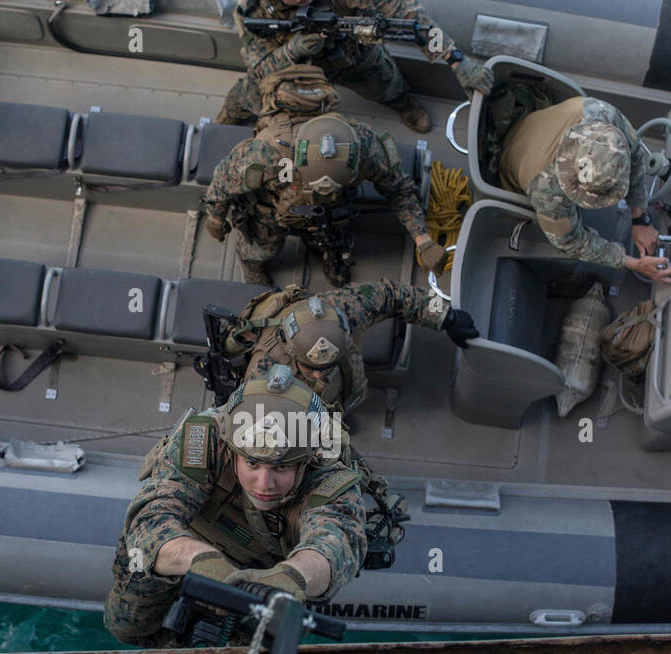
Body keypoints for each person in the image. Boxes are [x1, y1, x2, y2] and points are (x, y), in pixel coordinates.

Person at [103, 364, 367, 647]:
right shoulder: (207, 439)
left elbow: (335, 544)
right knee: (127, 627)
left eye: (280, 468)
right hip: (188, 545)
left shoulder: (327, 474)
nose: (264, 483)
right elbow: (150, 520)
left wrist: (291, 577)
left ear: (305, 461)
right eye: (252, 463)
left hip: (265, 573)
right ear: (233, 449)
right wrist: (203, 561)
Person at [203, 69, 448, 286]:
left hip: (333, 208)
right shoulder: (265, 153)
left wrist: (422, 239)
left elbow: (400, 189)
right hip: (274, 209)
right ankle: (253, 264)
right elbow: (224, 179)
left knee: (333, 239)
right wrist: (215, 218)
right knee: (261, 248)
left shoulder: (366, 145)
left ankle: (326, 252)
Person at [218, 0, 494, 133]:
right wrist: (293, 51)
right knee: (253, 97)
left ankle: (401, 103)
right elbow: (259, 70)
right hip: (294, 74)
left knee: (387, 84)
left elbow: (412, 18)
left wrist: (456, 60)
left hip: (352, 56)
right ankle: (229, 117)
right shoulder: (252, 12)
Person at [223, 279, 478, 415]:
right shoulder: (263, 373)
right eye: (311, 368)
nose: (320, 374)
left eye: (326, 367)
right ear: (291, 353)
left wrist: (445, 316)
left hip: (340, 394)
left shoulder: (342, 310)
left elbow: (392, 296)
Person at [498, 97, 671, 284]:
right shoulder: (546, 190)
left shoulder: (602, 115)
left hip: (533, 125)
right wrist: (631, 262)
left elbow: (636, 156)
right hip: (511, 163)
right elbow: (572, 241)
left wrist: (639, 218)